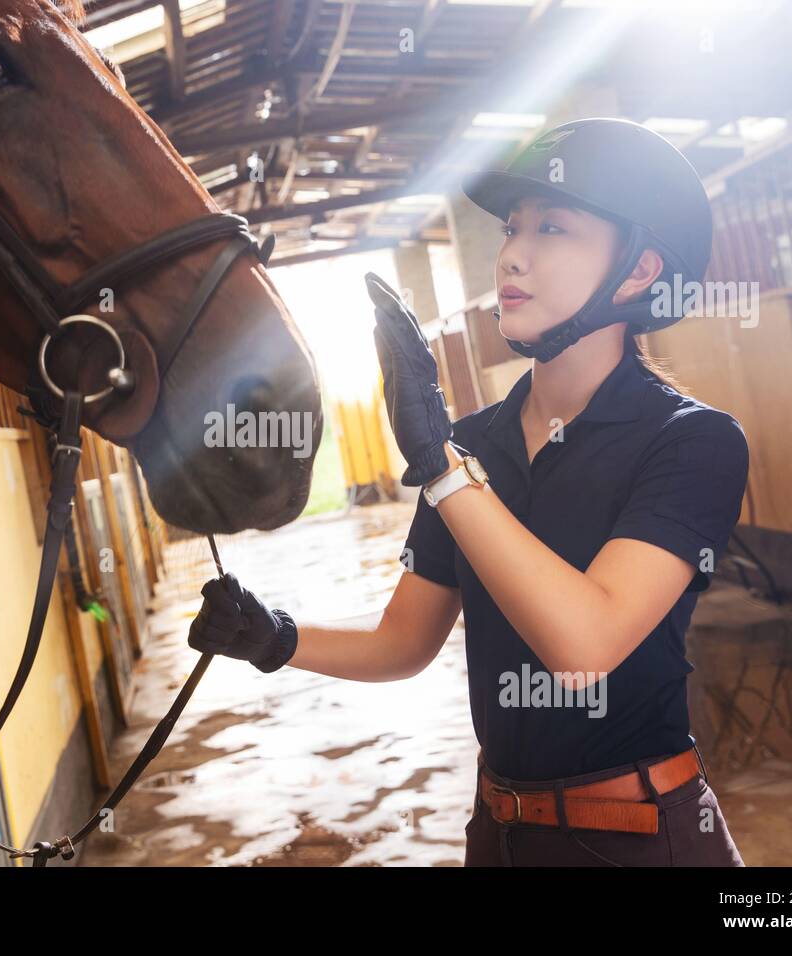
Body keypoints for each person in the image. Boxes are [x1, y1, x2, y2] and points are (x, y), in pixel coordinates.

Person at [189, 118, 749, 866]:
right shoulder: (472, 446)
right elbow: (405, 641)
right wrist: (274, 639)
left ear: (641, 270)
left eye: (553, 227)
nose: (511, 252)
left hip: (642, 838)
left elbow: (586, 646)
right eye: (513, 228)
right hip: (498, 833)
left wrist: (443, 469)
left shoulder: (692, 441)